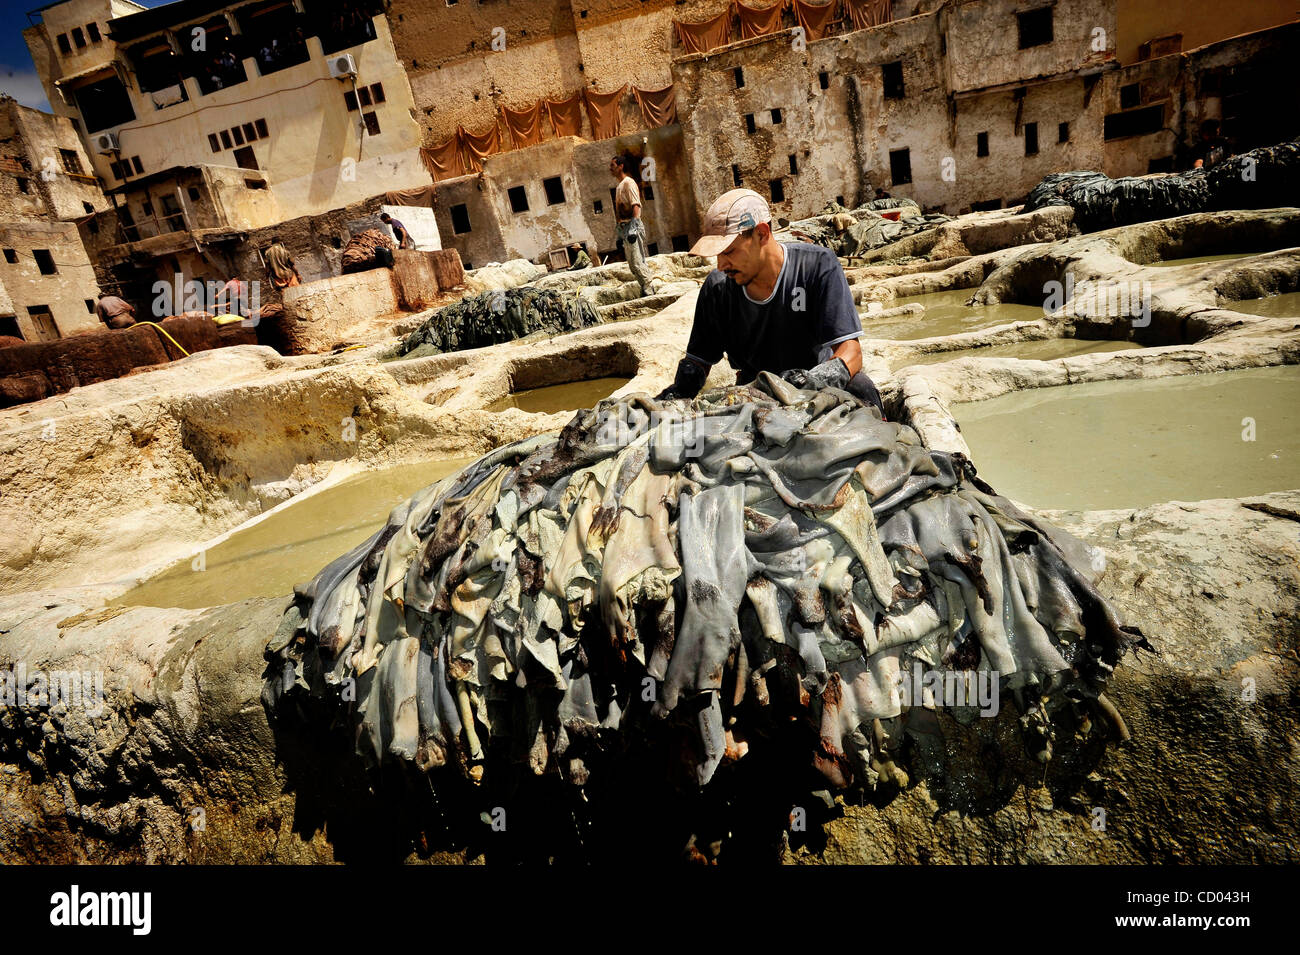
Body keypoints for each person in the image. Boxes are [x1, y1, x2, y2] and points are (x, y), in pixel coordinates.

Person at [655, 188, 884, 415]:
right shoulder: (718, 288)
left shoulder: (817, 266)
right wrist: (677, 393)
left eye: (729, 251)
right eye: (718, 255)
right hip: (755, 390)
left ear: (762, 234)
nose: (721, 265)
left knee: (861, 387)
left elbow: (851, 352)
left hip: (814, 380)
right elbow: (699, 362)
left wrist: (809, 382)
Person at [610, 154, 654, 296]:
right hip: (624, 228)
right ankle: (644, 286)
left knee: (637, 260)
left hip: (632, 226)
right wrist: (619, 235)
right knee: (632, 264)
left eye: (613, 166)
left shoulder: (629, 183)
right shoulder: (618, 187)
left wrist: (634, 228)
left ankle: (648, 288)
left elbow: (636, 205)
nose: (610, 169)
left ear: (620, 166)